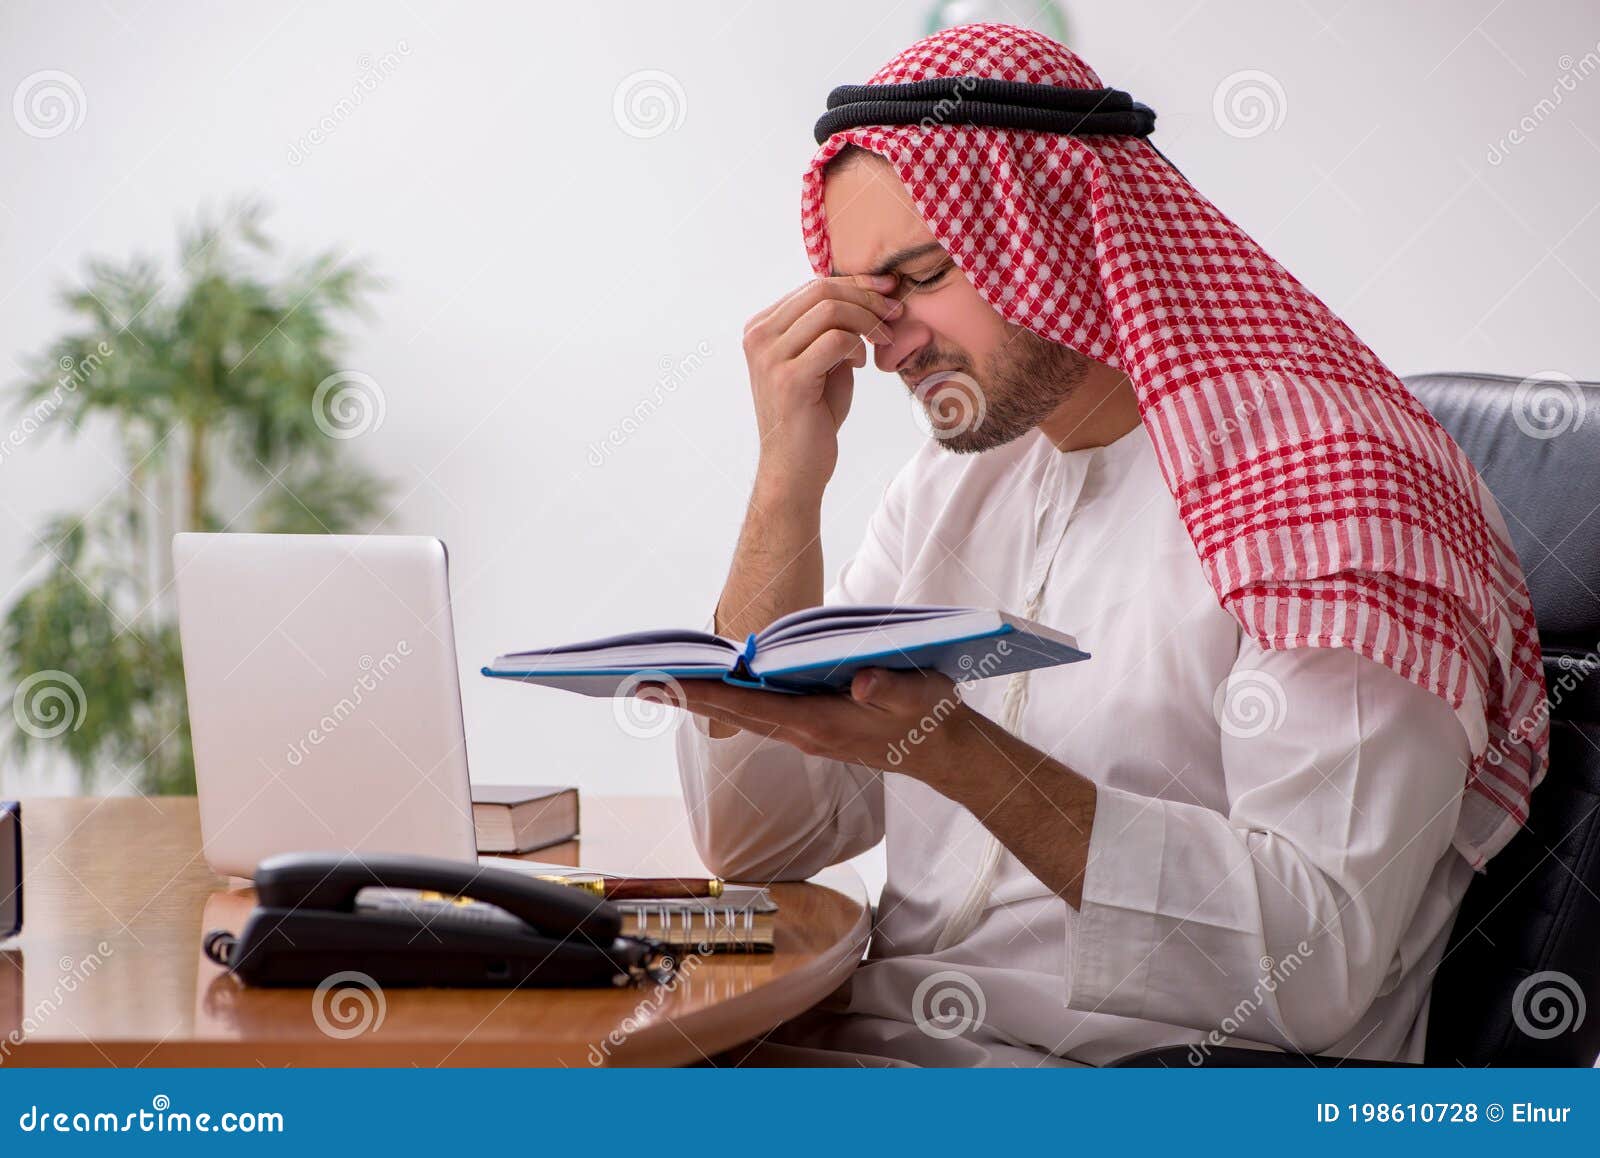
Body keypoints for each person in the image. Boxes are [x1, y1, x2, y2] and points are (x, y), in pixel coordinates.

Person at [670, 22, 1546, 1066]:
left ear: (1064, 233)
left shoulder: (1334, 493)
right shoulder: (956, 485)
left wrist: (957, 755)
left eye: (924, 273)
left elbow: (1315, 967)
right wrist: (786, 481)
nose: (887, 343)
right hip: (876, 1047)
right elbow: (761, 840)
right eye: (865, 298)